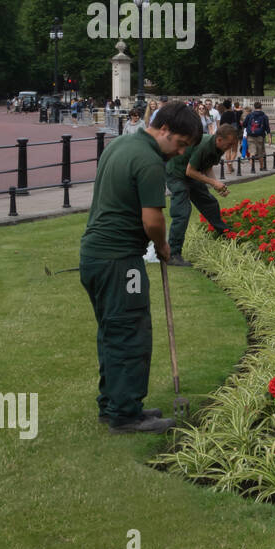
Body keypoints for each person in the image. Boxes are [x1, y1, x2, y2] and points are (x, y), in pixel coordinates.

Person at [78, 100, 203, 434]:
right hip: (120, 261)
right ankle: (124, 414)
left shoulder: (121, 143)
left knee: (111, 330)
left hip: (95, 257)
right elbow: (153, 219)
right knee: (130, 332)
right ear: (164, 130)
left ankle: (116, 404)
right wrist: (163, 246)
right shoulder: (149, 161)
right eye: (179, 144)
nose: (179, 153)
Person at [165, 123, 237, 266]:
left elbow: (207, 166)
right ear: (219, 140)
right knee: (182, 212)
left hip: (189, 175)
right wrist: (213, 182)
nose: (229, 148)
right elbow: (190, 171)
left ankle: (225, 234)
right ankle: (172, 254)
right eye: (228, 144)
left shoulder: (218, 147)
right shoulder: (204, 145)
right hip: (177, 174)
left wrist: (215, 184)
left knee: (210, 203)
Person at [241, 99, 271, 167]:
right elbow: (267, 128)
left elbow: (244, 125)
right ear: (261, 107)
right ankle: (261, 167)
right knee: (260, 153)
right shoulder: (264, 116)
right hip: (260, 136)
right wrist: (269, 137)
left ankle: (252, 168)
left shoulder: (249, 115)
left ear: (254, 107)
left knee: (252, 152)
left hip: (250, 136)